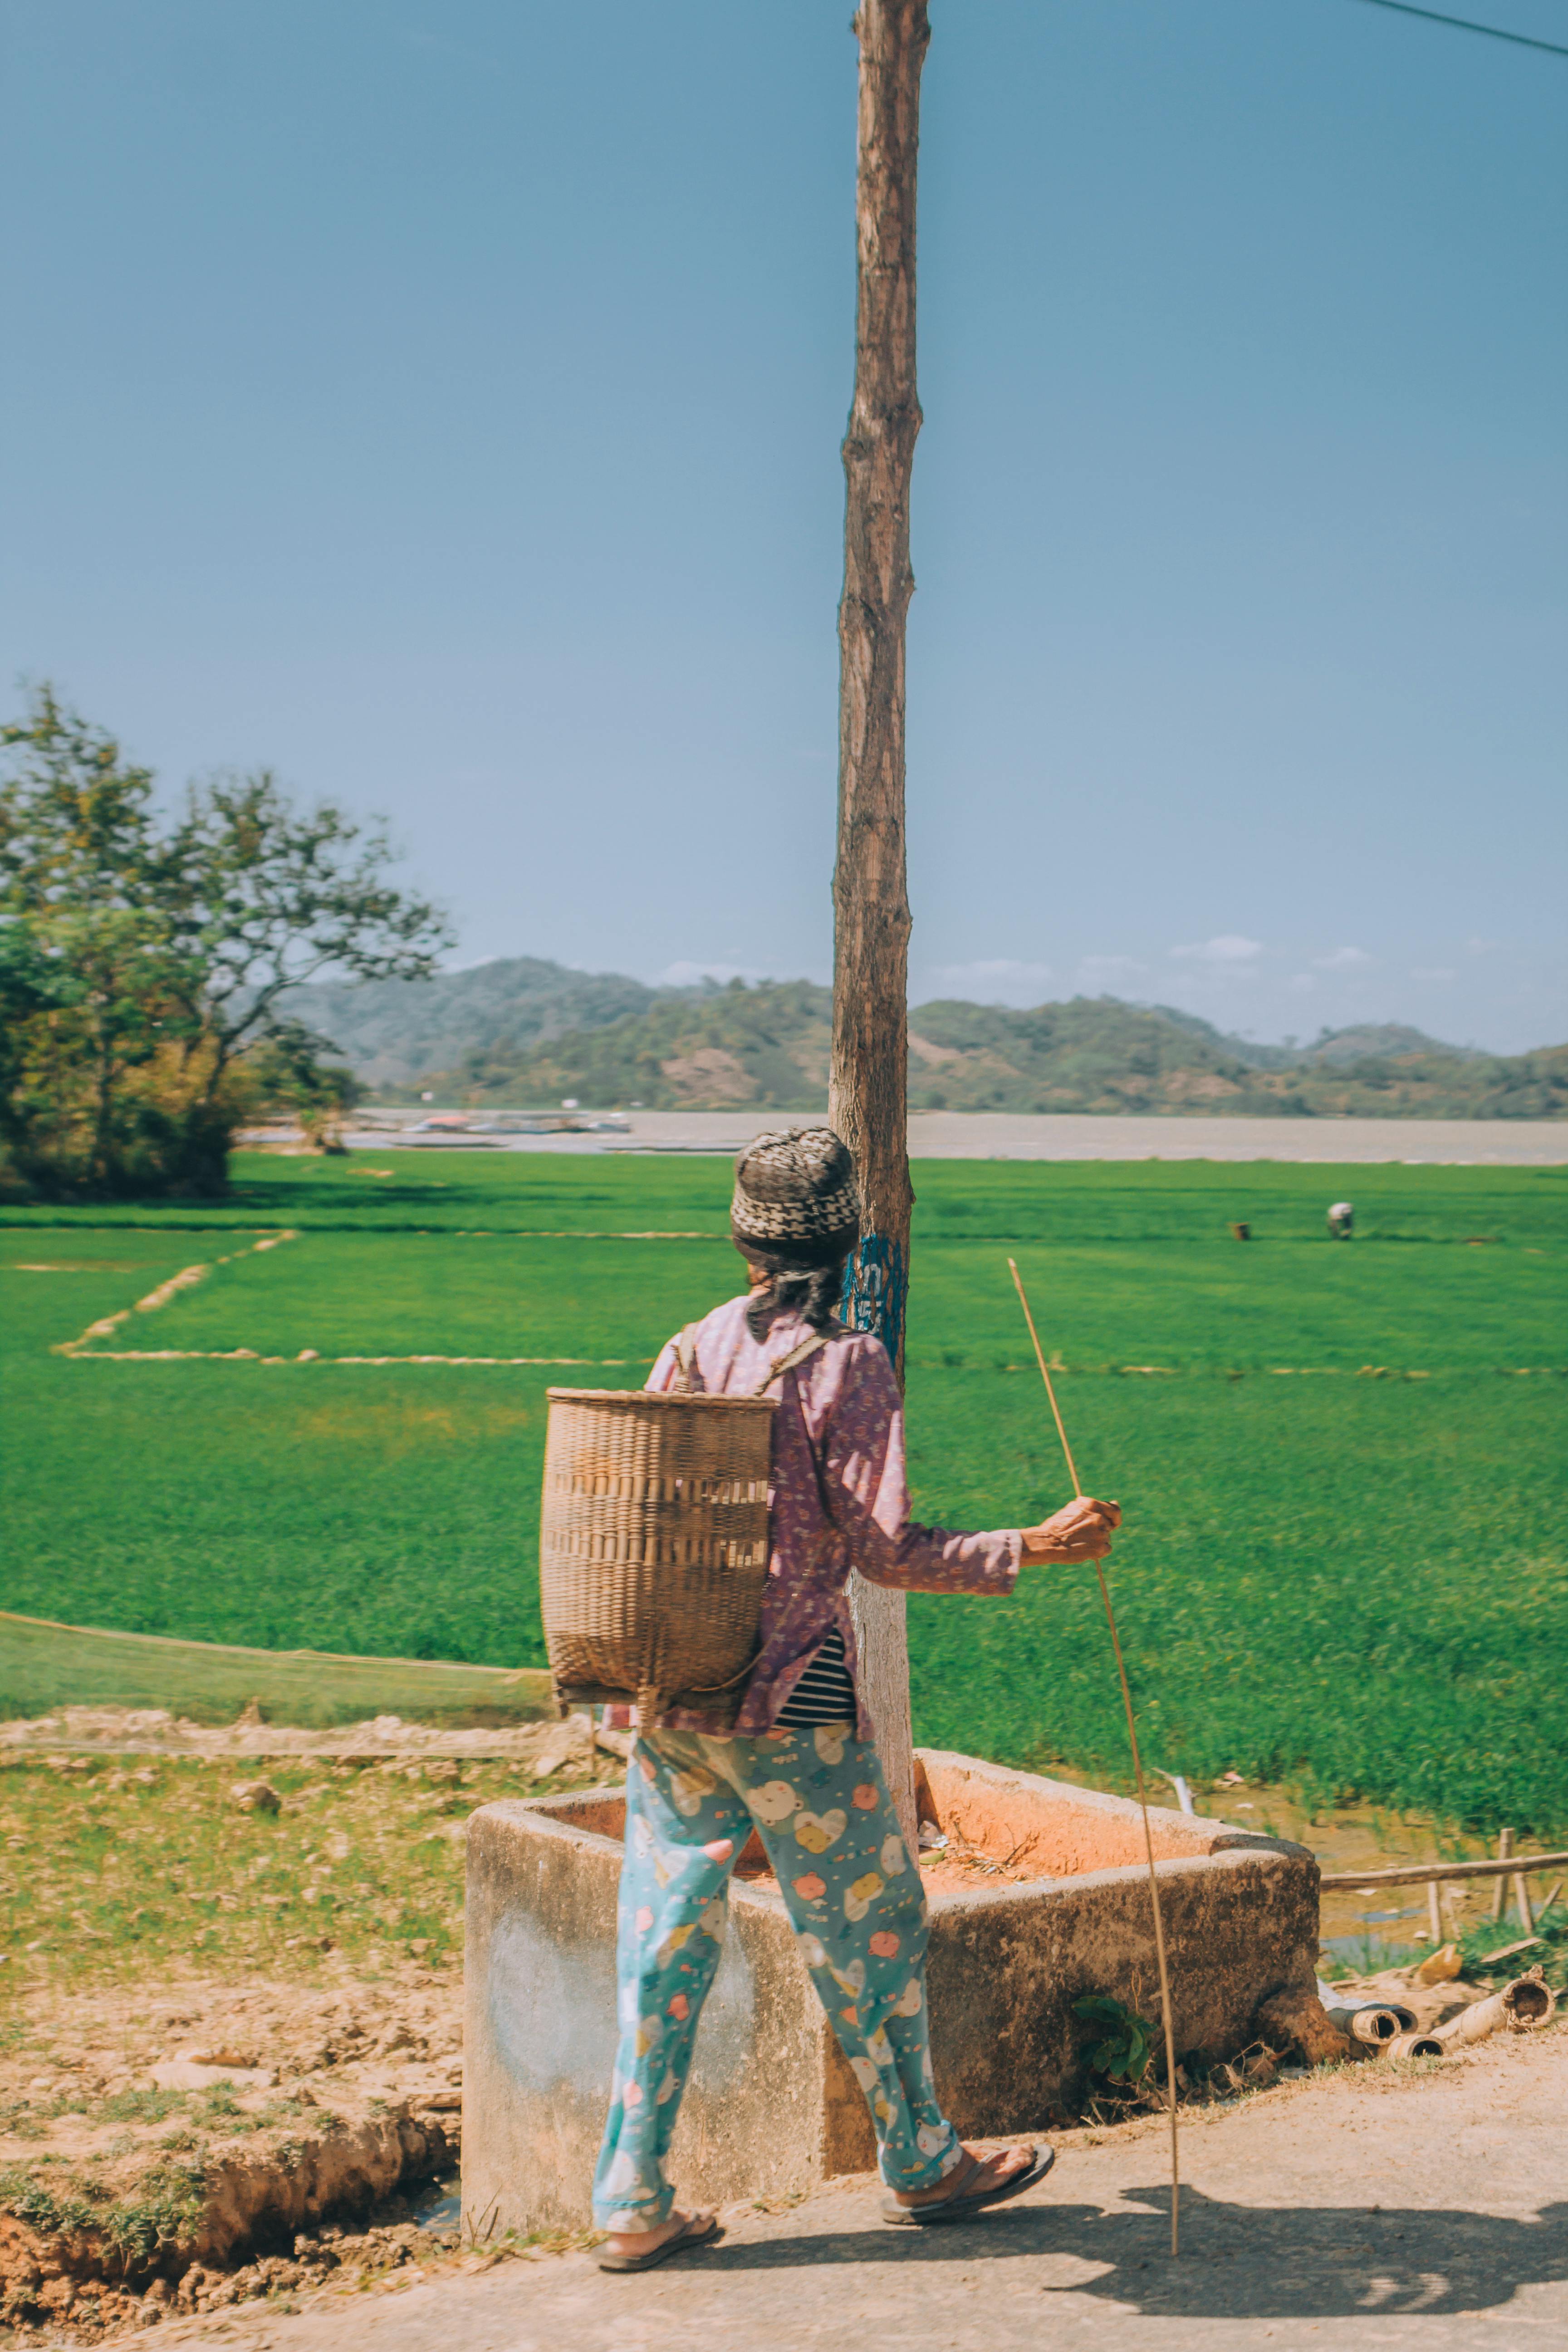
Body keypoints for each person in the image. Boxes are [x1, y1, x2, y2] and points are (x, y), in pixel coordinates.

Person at [593, 1126, 1120, 2274]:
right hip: (796, 1704)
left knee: (665, 1937)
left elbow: (640, 1509)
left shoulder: (687, 1350)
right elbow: (884, 1551)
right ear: (845, 1243)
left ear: (740, 1239)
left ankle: (631, 2197)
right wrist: (1034, 1544)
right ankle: (924, 2160)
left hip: (671, 1696)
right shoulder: (851, 1364)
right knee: (869, 1934)